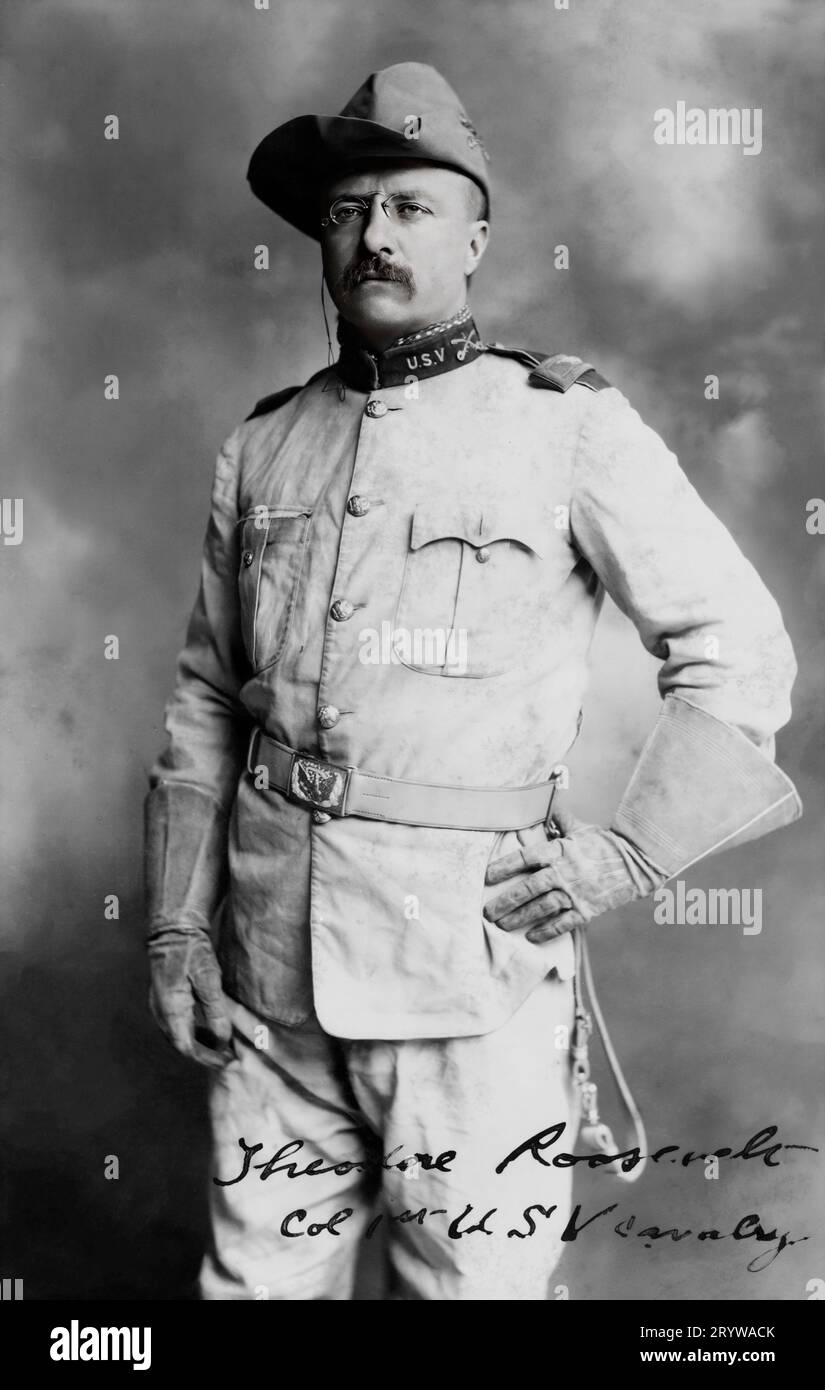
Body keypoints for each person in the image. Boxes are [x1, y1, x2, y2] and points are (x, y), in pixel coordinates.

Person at [143, 62, 802, 1301]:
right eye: (346, 211)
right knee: (248, 1293)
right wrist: (179, 925)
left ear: (476, 236)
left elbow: (741, 649)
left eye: (409, 206)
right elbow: (201, 701)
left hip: (469, 978)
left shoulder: (565, 423)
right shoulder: (266, 441)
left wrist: (627, 855)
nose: (373, 235)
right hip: (271, 974)